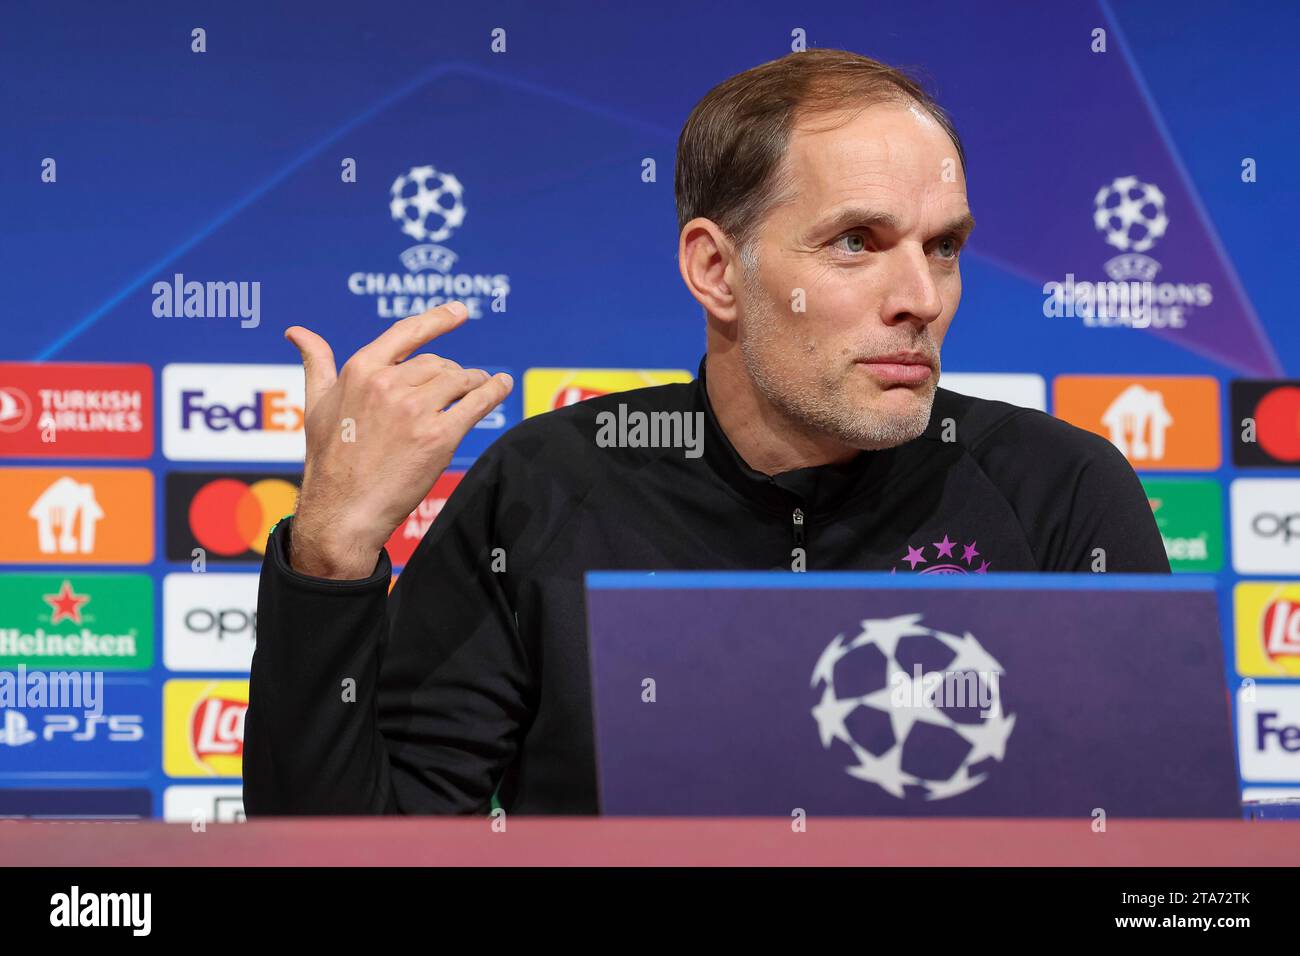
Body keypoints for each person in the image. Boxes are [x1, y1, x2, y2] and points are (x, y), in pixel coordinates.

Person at [244, 48, 1169, 816]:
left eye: (943, 247)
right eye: (856, 242)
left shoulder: (1061, 492)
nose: (921, 300)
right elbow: (356, 853)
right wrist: (328, 554)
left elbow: (1163, 881)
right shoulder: (545, 488)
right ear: (716, 270)